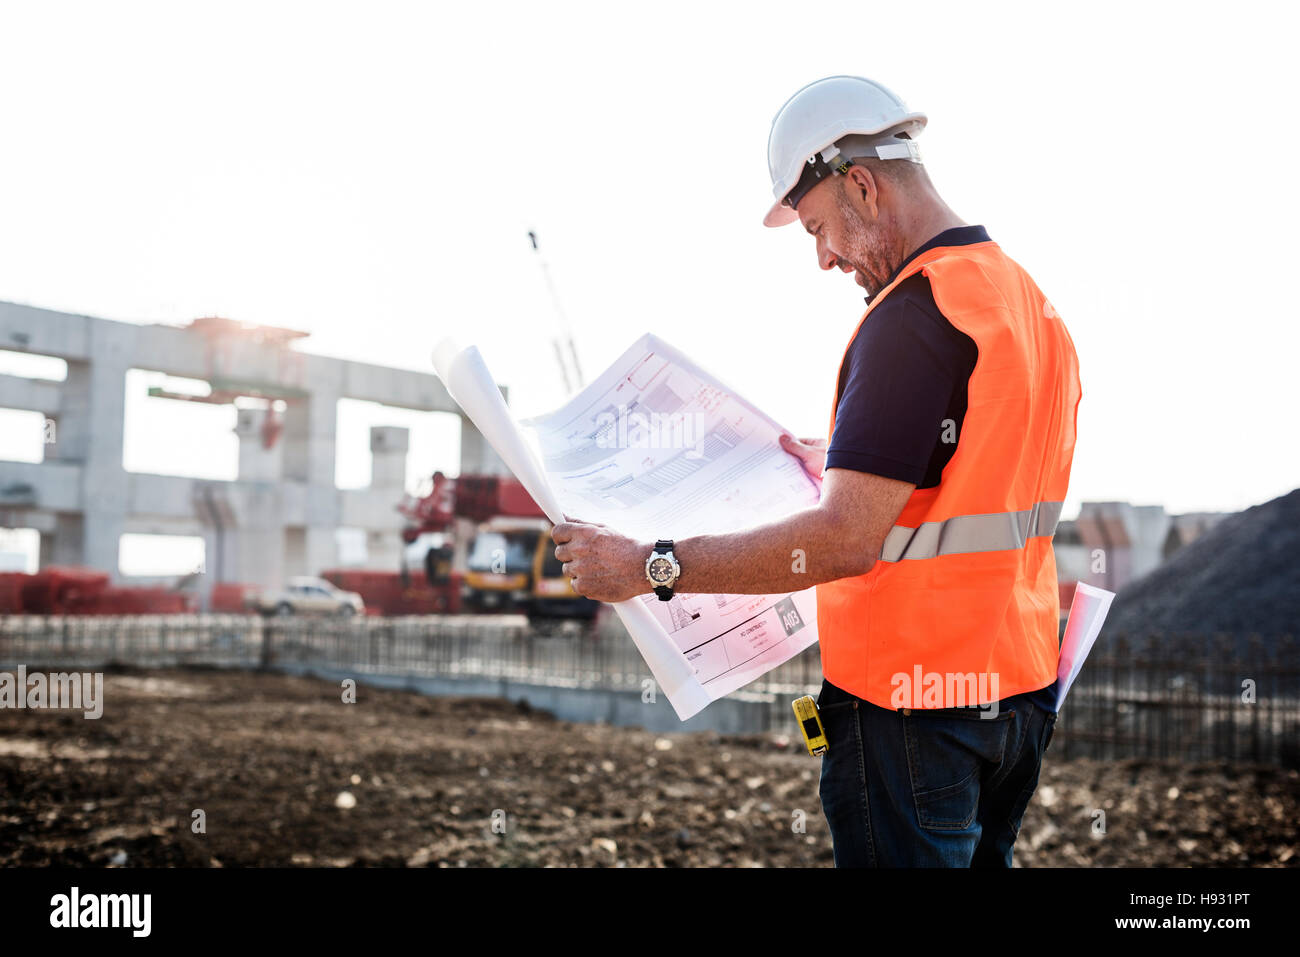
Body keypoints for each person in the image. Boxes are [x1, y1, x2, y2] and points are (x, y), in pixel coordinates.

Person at [552, 74, 1081, 867]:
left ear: (862, 185)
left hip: (912, 713)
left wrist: (648, 564)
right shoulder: (1027, 303)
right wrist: (851, 459)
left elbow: (842, 540)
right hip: (1018, 694)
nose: (825, 259)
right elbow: (977, 474)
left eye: (817, 228)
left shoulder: (911, 316)